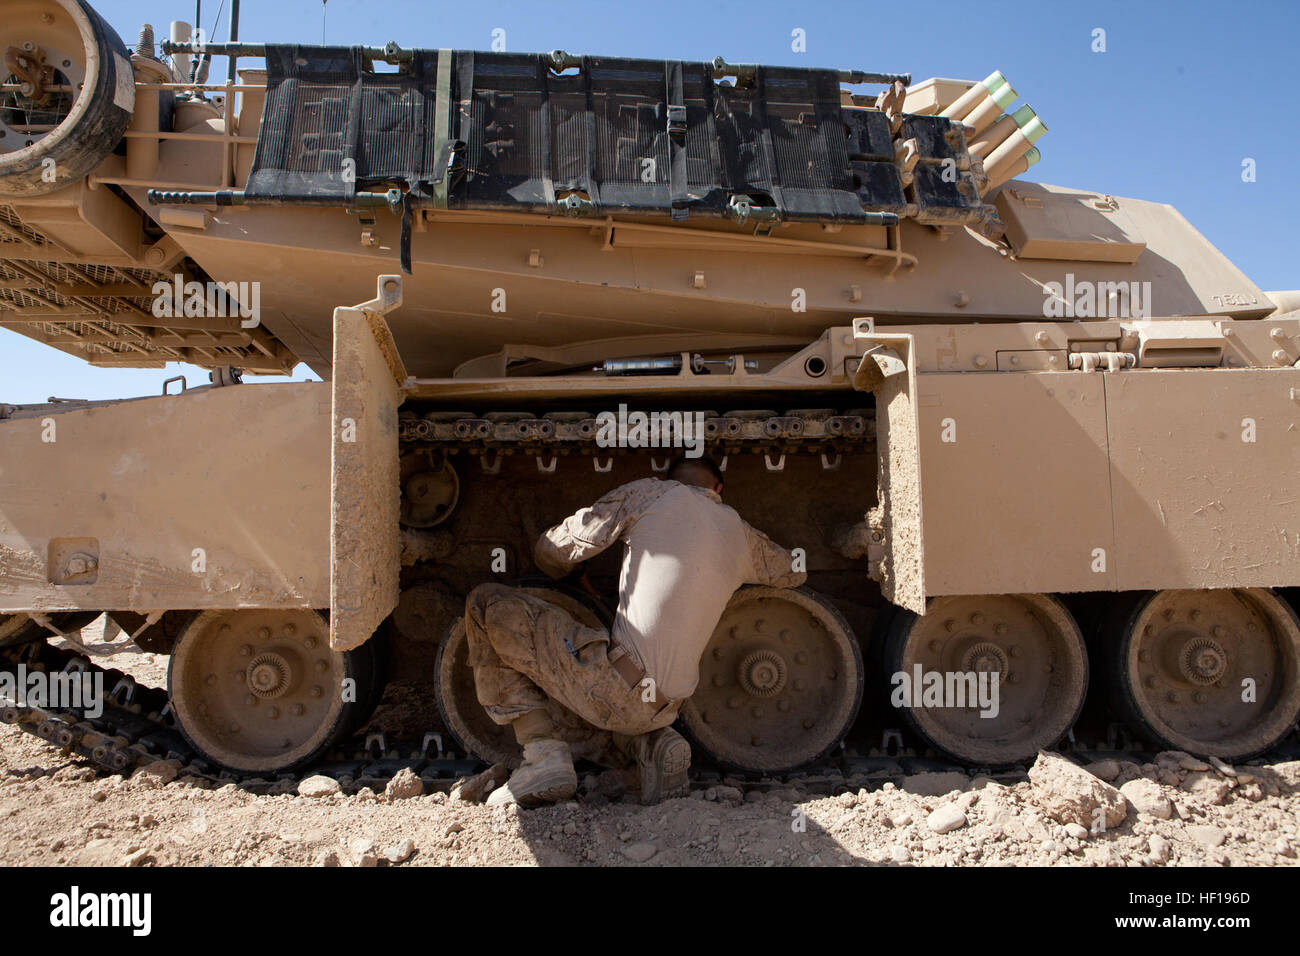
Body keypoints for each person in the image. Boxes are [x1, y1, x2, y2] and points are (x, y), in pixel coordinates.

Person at [462, 453, 806, 807]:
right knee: (602, 698)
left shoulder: (648, 493)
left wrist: (562, 572)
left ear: (669, 480)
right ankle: (649, 744)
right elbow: (794, 570)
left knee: (484, 603)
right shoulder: (742, 533)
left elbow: (552, 550)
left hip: (617, 686)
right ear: (717, 489)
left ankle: (542, 756)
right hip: (667, 708)